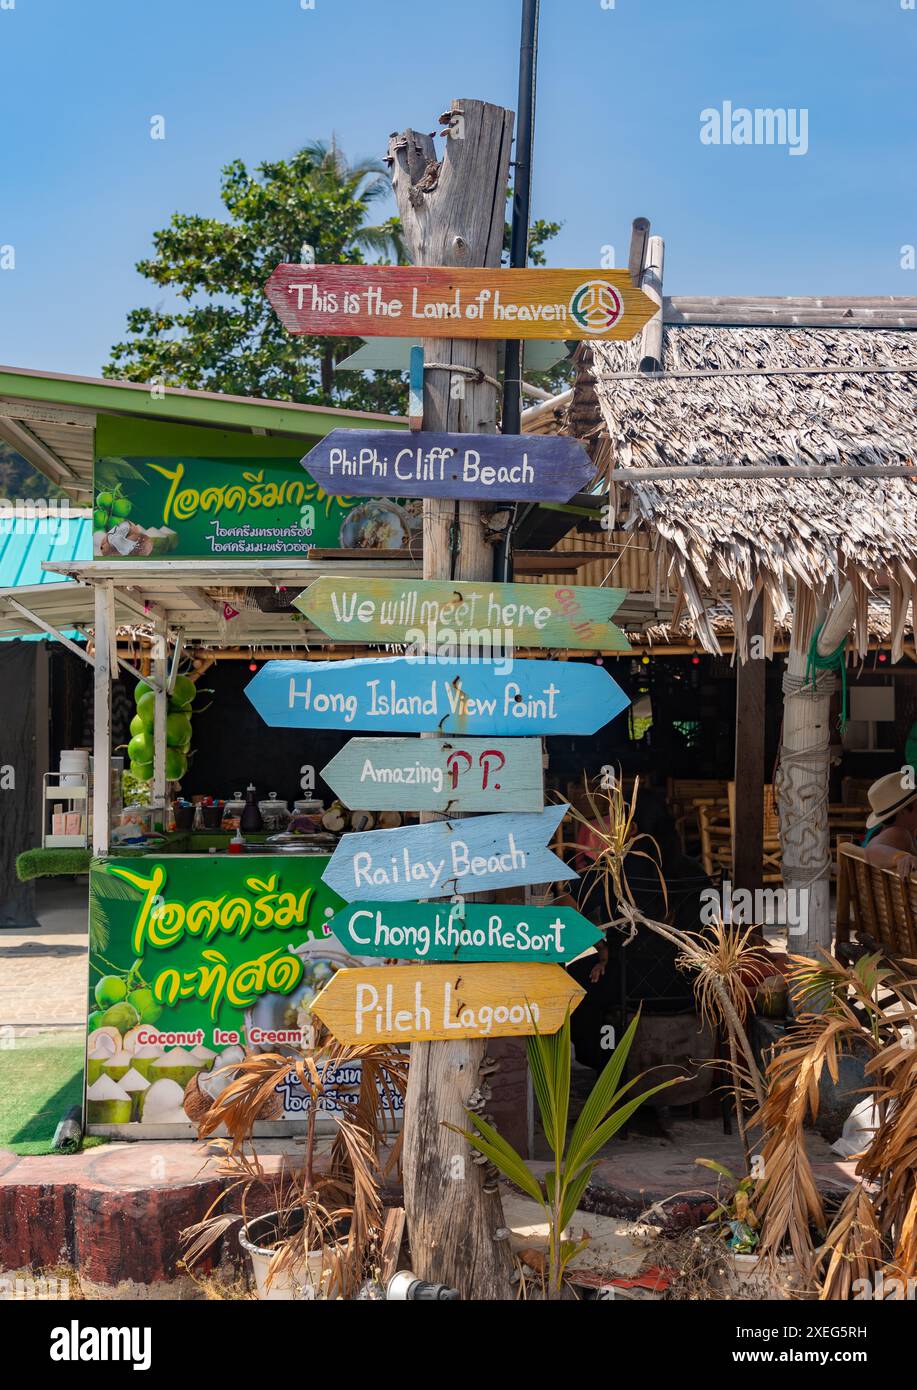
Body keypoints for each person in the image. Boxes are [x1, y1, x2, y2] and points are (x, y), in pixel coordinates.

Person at [557, 789, 711, 1073]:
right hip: (689, 986)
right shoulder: (696, 872)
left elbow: (566, 902)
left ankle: (606, 1067)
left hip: (629, 983)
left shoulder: (616, 869)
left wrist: (601, 948)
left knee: (575, 980)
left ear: (633, 828)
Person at [863, 770, 917, 860]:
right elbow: (870, 850)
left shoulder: (884, 830)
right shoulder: (899, 833)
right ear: (903, 811)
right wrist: (900, 858)